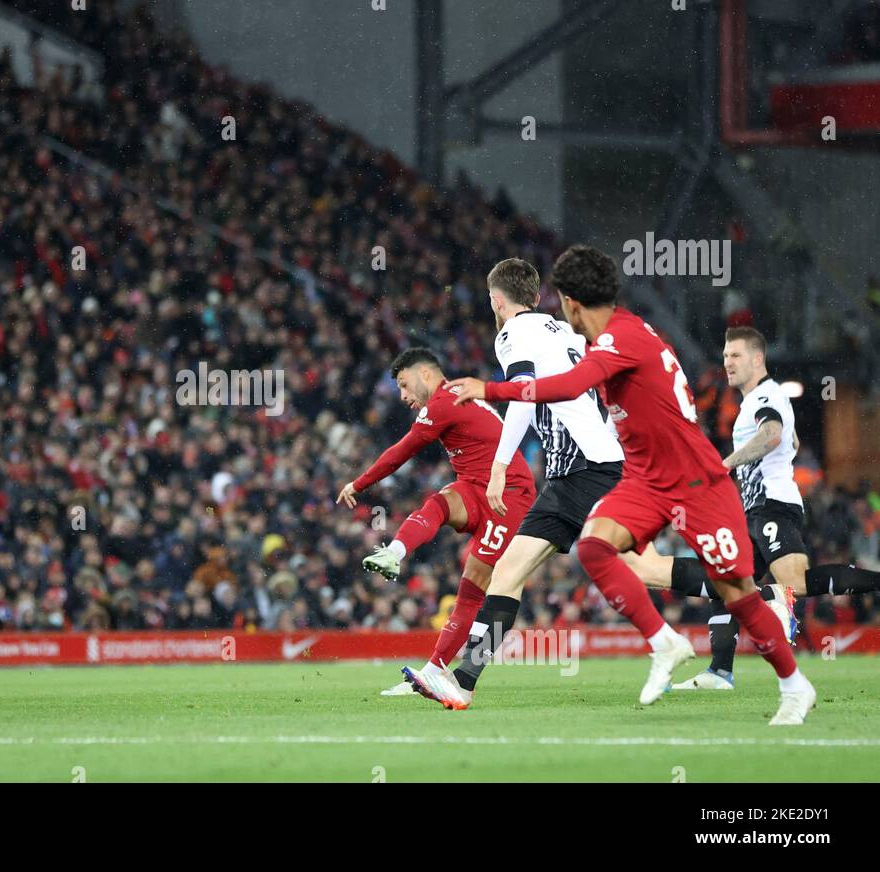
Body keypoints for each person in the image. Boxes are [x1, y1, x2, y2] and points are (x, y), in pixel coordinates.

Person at [448, 245, 814, 725]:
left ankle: (794, 685)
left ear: (572, 302)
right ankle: (665, 641)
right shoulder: (623, 333)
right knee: (595, 546)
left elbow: (569, 386)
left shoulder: (619, 340)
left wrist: (489, 389)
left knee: (735, 591)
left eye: (560, 302)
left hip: (694, 479)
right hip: (645, 478)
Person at [395, 259, 625, 708]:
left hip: (585, 467)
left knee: (643, 571)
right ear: (535, 297)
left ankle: (758, 596)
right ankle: (462, 682)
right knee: (508, 571)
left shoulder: (513, 334)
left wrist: (499, 466)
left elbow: (521, 394)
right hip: (582, 467)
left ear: (496, 301)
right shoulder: (565, 332)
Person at [623, 326, 880, 689]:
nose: (728, 362)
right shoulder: (757, 401)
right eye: (726, 356)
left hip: (770, 506)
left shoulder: (764, 397)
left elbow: (773, 434)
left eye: (736, 356)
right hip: (754, 509)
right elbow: (785, 436)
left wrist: (724, 466)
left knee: (794, 582)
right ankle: (720, 671)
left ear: (757, 359)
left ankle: (770, 598)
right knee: (723, 580)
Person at [336, 347, 535, 692]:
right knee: (439, 503)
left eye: (404, 384)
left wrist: (358, 483)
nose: (402, 396)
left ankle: (440, 669)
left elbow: (401, 452)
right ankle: (394, 553)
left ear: (425, 374)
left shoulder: (443, 402)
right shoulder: (456, 393)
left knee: (474, 582)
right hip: (476, 485)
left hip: (508, 495)